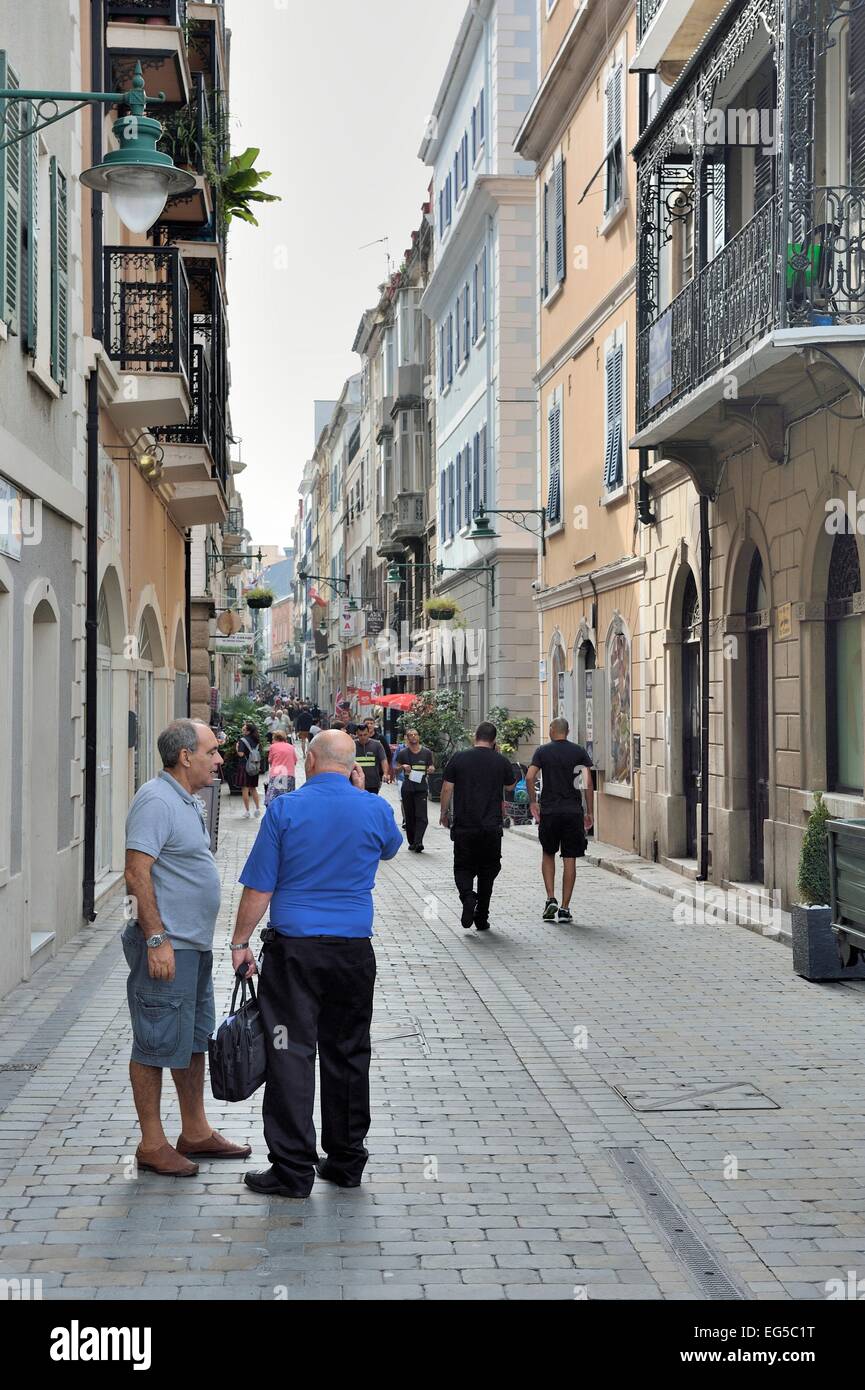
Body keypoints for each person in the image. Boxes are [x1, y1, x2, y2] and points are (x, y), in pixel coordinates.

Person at [230, 731, 402, 1197]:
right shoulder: (374, 808)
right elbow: (390, 848)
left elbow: (259, 887)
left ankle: (292, 1169)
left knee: (290, 1052)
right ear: (351, 767)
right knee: (348, 1053)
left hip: (295, 954)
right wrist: (363, 792)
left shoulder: (285, 811)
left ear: (308, 759)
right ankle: (346, 1161)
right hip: (351, 954)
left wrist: (240, 941)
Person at [123, 720, 252, 1176]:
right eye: (213, 752)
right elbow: (136, 873)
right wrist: (155, 938)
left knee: (193, 1038)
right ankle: (151, 1143)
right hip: (166, 945)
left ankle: (194, 1131)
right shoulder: (156, 800)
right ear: (185, 757)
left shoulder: (186, 800)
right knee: (155, 1040)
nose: (220, 760)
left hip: (191, 946)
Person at [439, 722, 516, 931]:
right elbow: (510, 785)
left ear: (475, 737)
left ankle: (467, 898)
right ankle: (481, 917)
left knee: (463, 868)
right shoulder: (500, 760)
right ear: (493, 740)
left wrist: (444, 813)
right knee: (487, 871)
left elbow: (447, 788)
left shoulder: (459, 758)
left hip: (465, 825)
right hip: (491, 827)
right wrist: (498, 758)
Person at [526, 718, 595, 924]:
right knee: (570, 858)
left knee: (548, 853)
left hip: (550, 811)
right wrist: (589, 811)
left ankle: (550, 899)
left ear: (550, 730)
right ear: (568, 731)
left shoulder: (542, 751)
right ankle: (565, 908)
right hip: (573, 812)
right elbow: (587, 782)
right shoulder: (579, 752)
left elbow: (530, 777)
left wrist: (533, 802)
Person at [396, 729, 435, 852]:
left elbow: (431, 766)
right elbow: (395, 769)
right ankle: (412, 841)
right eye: (410, 735)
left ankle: (419, 842)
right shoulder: (403, 753)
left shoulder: (427, 753)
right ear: (407, 738)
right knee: (410, 816)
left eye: (415, 734)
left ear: (419, 737)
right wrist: (402, 767)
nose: (413, 737)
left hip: (421, 788)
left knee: (422, 816)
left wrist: (431, 768)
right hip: (407, 788)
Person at [235, 721, 262, 818]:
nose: (242, 730)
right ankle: (258, 809)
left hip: (244, 766)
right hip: (255, 766)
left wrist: (237, 748)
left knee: (245, 789)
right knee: (253, 788)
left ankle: (247, 811)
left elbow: (241, 754)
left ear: (248, 731)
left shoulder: (243, 740)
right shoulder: (257, 740)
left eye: (244, 729)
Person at [354, 724, 390, 794]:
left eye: (365, 734)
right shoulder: (352, 744)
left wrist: (385, 773)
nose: (363, 737)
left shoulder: (377, 745)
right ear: (357, 734)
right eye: (360, 735)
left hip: (373, 783)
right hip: (356, 782)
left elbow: (383, 759)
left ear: (369, 734)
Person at [265, 729, 297, 806]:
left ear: (276, 738)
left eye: (272, 738)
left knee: (274, 799)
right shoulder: (291, 747)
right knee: (288, 799)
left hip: (277, 775)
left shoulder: (273, 747)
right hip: (289, 776)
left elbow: (270, 761)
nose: (272, 740)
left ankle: (275, 816)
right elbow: (295, 761)